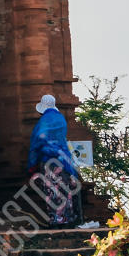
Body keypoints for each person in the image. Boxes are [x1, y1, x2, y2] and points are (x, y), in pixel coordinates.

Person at [28, 93, 83, 227]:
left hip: (49, 161)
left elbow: (37, 142)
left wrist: (31, 164)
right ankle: (69, 219)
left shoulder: (43, 122)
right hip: (64, 159)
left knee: (53, 190)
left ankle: (58, 220)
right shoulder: (61, 119)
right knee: (66, 188)